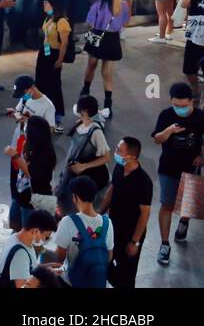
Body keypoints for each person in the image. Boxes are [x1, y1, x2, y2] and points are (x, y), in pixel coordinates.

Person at [151, 81, 204, 266]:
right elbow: (157, 140)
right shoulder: (166, 115)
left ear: (192, 101)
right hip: (168, 167)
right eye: (176, 105)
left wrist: (201, 155)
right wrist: (168, 131)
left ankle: (184, 222)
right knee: (167, 204)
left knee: (187, 205)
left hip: (191, 168)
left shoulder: (200, 117)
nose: (179, 109)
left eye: (183, 106)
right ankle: (164, 244)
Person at [100, 135, 153, 287]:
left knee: (127, 274)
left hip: (130, 233)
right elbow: (112, 189)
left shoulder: (143, 182)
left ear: (131, 156)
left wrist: (134, 242)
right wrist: (100, 212)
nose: (115, 152)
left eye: (119, 150)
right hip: (113, 227)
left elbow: (145, 213)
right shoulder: (119, 168)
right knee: (104, 262)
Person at [80, 0, 131, 118]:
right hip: (113, 39)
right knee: (107, 73)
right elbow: (125, 24)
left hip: (97, 35)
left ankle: (85, 91)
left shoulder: (98, 4)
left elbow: (90, 23)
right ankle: (108, 105)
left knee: (91, 65)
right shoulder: (123, 6)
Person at [53, 175, 113, 288]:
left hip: (72, 281)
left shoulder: (68, 221)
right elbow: (109, 257)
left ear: (75, 197)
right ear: (94, 196)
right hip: (98, 282)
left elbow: (60, 256)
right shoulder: (107, 223)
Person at [60, 94, 111, 211]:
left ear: (85, 111)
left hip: (89, 176)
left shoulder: (96, 132)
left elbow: (107, 157)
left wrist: (84, 166)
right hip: (74, 172)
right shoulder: (80, 123)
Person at [0, 210, 57, 288]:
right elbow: (23, 286)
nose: (46, 240)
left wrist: (48, 269)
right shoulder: (20, 255)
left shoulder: (17, 238)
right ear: (35, 231)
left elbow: (29, 266)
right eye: (46, 237)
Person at [37, 0, 70, 132]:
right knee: (41, 82)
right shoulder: (48, 18)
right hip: (45, 52)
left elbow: (64, 43)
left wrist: (60, 60)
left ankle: (56, 117)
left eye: (47, 2)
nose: (44, 4)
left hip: (54, 54)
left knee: (54, 85)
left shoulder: (62, 22)